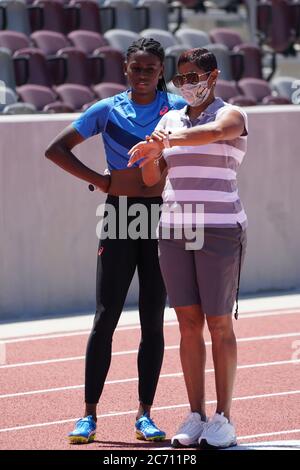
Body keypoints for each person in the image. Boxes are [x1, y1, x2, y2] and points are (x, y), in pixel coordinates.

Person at [45, 38, 186, 444]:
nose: (143, 74)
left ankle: (145, 415)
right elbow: (56, 149)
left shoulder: (176, 110)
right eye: (136, 67)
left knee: (152, 320)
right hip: (120, 215)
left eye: (151, 68)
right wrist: (101, 180)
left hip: (162, 217)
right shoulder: (107, 110)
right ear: (126, 68)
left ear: (162, 72)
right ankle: (88, 416)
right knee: (105, 316)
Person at [128, 47, 248, 449]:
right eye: (180, 79)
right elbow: (151, 179)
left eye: (193, 77)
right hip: (175, 228)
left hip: (218, 228)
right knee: (188, 324)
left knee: (219, 323)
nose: (186, 85)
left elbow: (212, 135)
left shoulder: (231, 115)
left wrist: (165, 141)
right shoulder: (170, 119)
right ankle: (196, 415)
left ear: (212, 77)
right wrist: (148, 154)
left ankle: (224, 418)